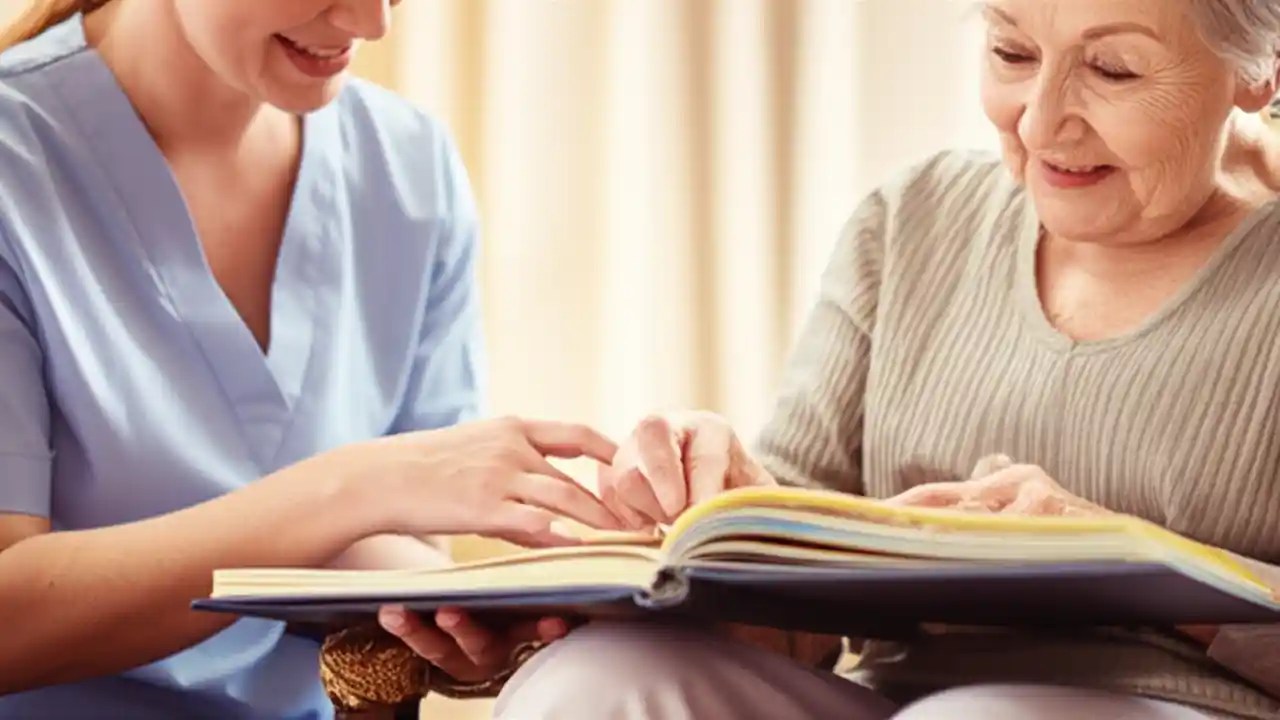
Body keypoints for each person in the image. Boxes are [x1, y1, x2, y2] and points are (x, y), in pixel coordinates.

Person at [473, 0, 1280, 718]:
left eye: (1113, 68)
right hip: (890, 700)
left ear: (1259, 69)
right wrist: (697, 520)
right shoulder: (912, 219)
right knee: (592, 680)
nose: (1039, 124)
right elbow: (787, 611)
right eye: (1011, 53)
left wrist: (1133, 559)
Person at [0, 1, 625, 718]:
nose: (372, 23)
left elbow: (393, 550)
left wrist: (480, 613)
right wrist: (354, 490)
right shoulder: (15, 162)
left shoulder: (409, 167)